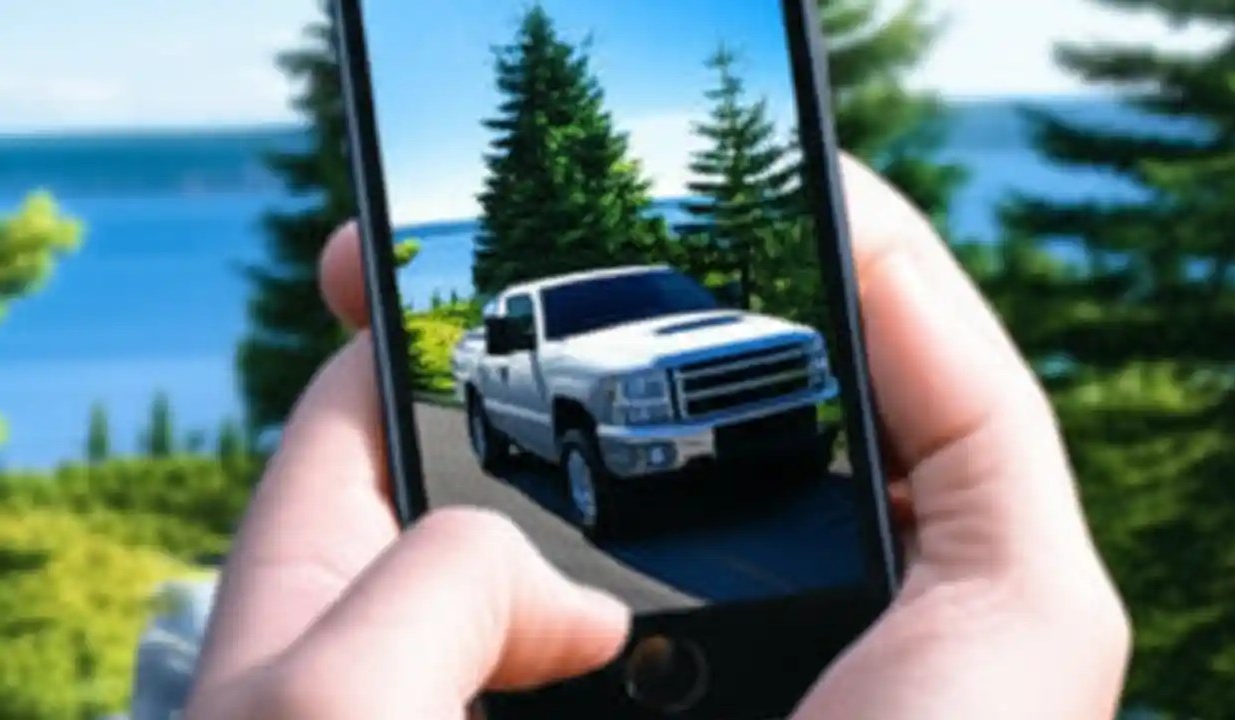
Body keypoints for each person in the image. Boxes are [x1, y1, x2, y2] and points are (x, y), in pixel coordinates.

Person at [183, 156, 1132, 719]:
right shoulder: (524, 340)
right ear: (500, 345)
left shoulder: (748, 330)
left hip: (739, 408)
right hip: (614, 408)